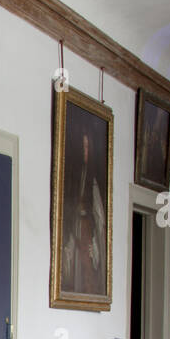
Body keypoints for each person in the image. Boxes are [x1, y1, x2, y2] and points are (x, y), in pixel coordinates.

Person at [61, 125, 106, 295]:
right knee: (73, 260)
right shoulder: (75, 175)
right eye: (83, 147)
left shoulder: (91, 177)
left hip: (87, 223)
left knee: (87, 261)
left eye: (87, 147)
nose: (85, 151)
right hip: (75, 222)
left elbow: (96, 208)